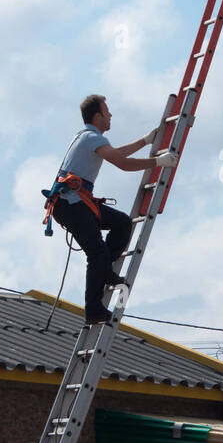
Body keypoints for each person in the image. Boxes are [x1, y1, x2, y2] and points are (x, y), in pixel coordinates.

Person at [48, 94, 177, 324]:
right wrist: (158, 162)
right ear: (97, 116)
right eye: (107, 112)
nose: (110, 116)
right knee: (96, 254)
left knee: (122, 224)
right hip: (71, 204)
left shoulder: (89, 137)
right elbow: (123, 163)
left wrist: (145, 141)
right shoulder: (90, 138)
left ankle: (105, 270)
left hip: (76, 203)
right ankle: (94, 309)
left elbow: (116, 154)